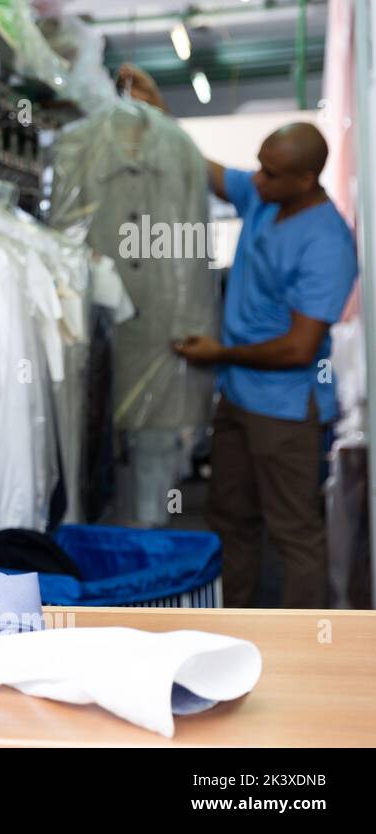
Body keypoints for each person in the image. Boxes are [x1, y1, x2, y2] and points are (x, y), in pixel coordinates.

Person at [119, 64, 358, 607]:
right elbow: (206, 170)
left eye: (271, 173)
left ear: (305, 180)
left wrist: (217, 352)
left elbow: (300, 348)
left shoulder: (326, 243)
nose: (257, 179)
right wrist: (160, 115)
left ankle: (305, 650)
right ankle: (240, 627)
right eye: (260, 167)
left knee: (293, 531)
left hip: (284, 411)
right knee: (231, 519)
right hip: (238, 400)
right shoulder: (265, 197)